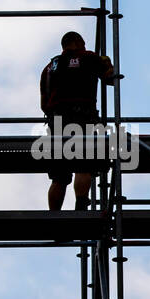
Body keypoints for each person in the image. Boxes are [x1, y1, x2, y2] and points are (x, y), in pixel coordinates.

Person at [40, 30, 117, 210]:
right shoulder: (88, 57)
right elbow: (111, 78)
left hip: (56, 122)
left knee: (58, 177)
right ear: (80, 42)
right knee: (84, 166)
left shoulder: (50, 67)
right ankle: (81, 206)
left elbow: (44, 104)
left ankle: (54, 218)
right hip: (83, 117)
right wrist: (107, 62)